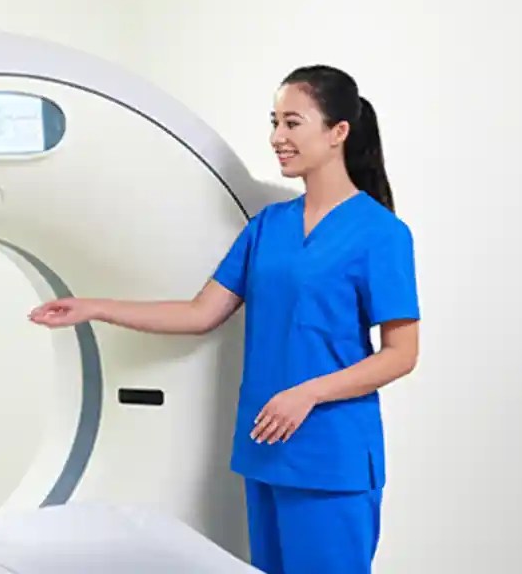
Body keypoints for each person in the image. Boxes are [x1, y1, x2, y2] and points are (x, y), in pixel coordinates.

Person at [28, 65, 421, 574]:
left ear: (338, 132)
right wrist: (92, 307)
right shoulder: (268, 226)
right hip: (265, 450)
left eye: (293, 123)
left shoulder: (381, 233)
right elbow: (200, 313)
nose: (278, 138)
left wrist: (308, 392)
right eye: (274, 122)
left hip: (331, 457)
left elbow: (401, 354)